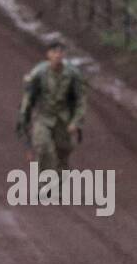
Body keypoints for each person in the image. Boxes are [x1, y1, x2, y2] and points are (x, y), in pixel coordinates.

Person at [16, 40, 87, 171]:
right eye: (54, 52)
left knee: (62, 156)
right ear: (48, 54)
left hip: (63, 120)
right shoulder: (39, 73)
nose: (58, 55)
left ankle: (57, 188)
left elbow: (80, 101)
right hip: (43, 117)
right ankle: (44, 187)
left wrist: (76, 122)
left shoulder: (72, 75)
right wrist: (24, 121)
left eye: (61, 52)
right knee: (43, 149)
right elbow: (28, 99)